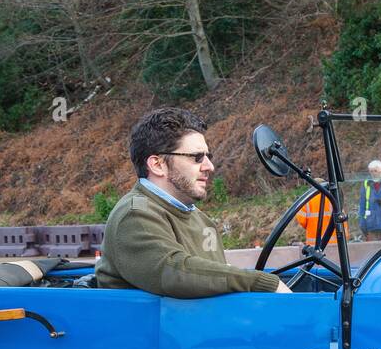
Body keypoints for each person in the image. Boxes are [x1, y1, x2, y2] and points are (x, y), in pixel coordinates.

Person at [96, 106, 289, 296]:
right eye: (197, 157)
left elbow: (215, 275)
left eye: (208, 156)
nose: (210, 166)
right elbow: (174, 273)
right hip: (149, 326)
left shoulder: (200, 219)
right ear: (157, 165)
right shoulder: (134, 215)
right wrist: (261, 283)